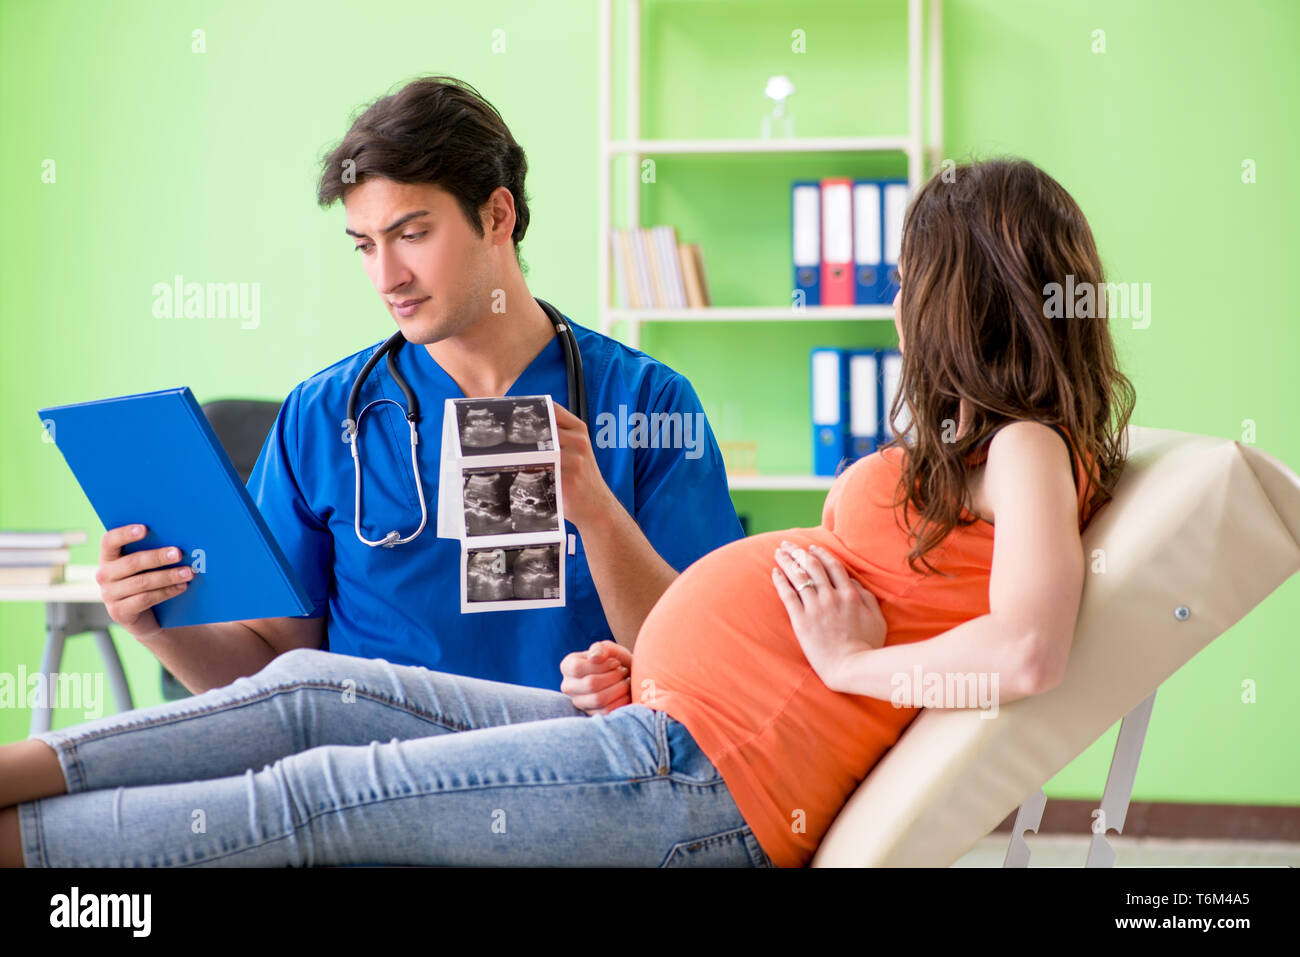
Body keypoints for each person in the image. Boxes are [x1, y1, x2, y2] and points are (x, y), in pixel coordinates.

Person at [0, 157, 1135, 868]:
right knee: (306, 691)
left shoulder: (1025, 444)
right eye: (366, 244)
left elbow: (1028, 649)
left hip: (697, 772)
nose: (891, 300)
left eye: (905, 277)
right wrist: (652, 668)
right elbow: (264, 654)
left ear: (963, 291)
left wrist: (845, 661)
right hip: (651, 723)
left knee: (319, 798)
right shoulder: (978, 454)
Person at [91, 75, 743, 697]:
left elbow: (710, 665)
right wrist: (156, 627)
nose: (388, 276)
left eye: (411, 234)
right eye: (365, 246)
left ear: (496, 215)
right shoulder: (323, 418)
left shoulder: (646, 405)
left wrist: (597, 513)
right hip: (376, 777)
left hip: (565, 772)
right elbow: (272, 682)